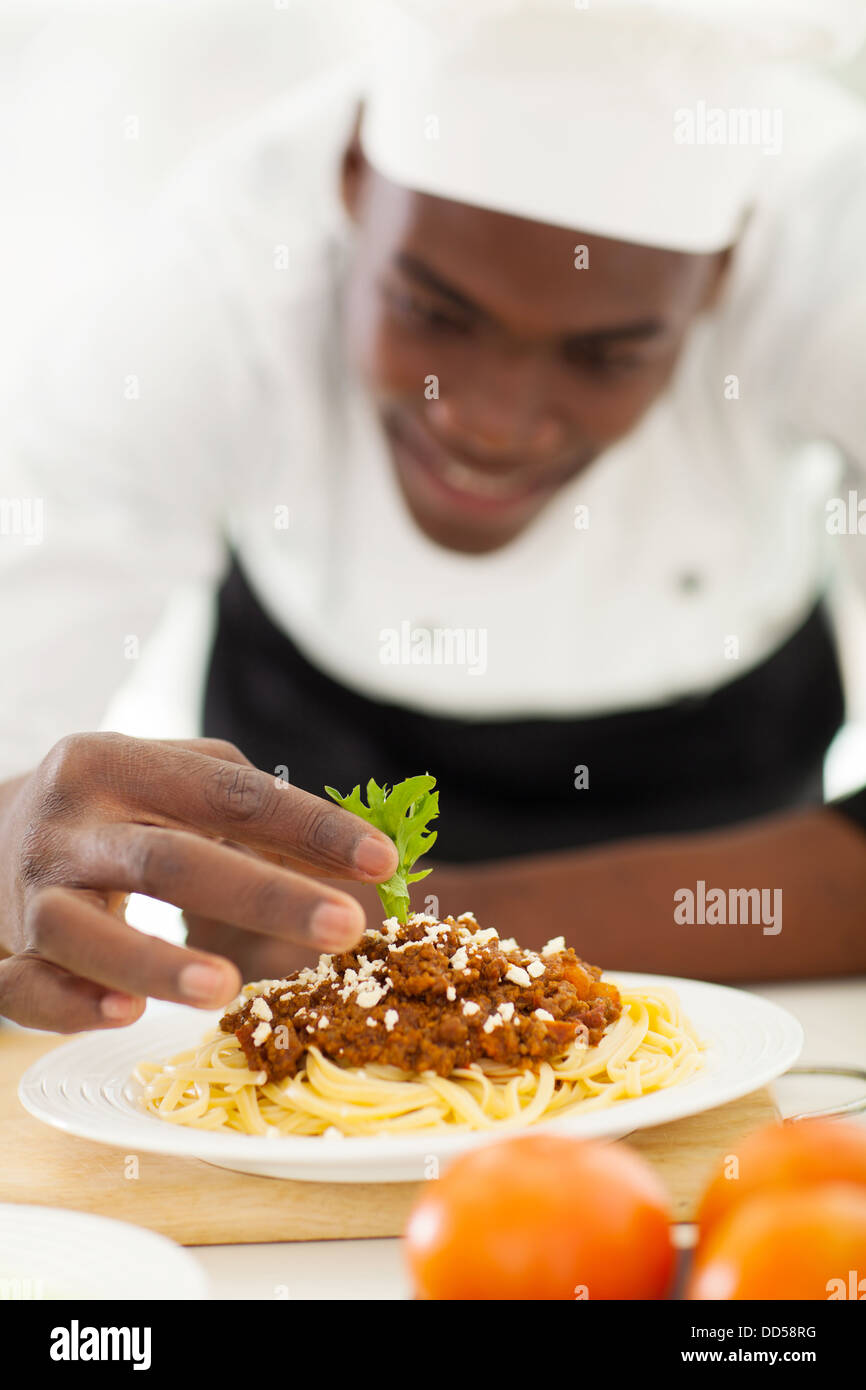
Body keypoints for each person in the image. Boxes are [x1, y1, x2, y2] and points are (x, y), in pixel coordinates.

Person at [1, 0, 865, 1036]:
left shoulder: (833, 251)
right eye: (430, 309)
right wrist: (23, 844)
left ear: (722, 271)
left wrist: (428, 923)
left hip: (729, 828)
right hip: (307, 785)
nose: (490, 424)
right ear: (352, 185)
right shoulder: (206, 285)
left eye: (606, 353)